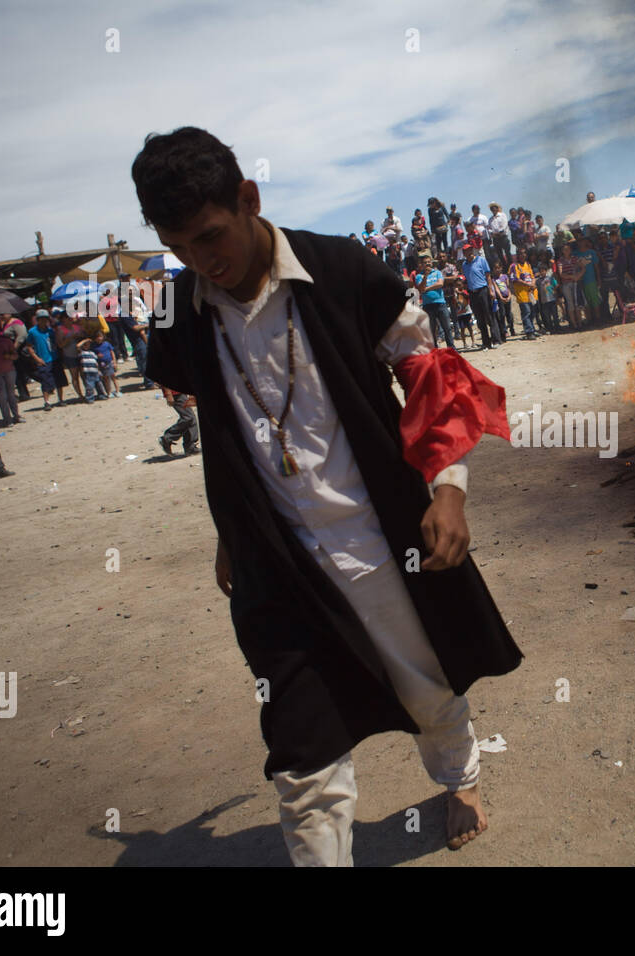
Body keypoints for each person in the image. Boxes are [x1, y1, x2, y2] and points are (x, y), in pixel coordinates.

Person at [134, 126, 521, 866]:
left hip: (382, 537)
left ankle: (460, 777)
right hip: (277, 561)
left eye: (211, 236)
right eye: (178, 245)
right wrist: (230, 527)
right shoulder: (176, 308)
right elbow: (223, 429)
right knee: (302, 759)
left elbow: (429, 370)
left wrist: (448, 489)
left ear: (249, 199)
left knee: (426, 685)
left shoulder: (342, 267)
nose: (200, 261)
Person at [460, 243, 502, 348]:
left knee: (489, 316)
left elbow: (488, 276)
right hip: (472, 293)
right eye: (466, 251)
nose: (469, 253)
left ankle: (496, 340)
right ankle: (486, 342)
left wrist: (491, 290)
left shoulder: (481, 260)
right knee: (480, 319)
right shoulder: (464, 265)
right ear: (464, 253)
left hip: (483, 290)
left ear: (472, 251)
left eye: (470, 250)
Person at [415, 252, 456, 349]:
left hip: (440, 303)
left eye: (429, 262)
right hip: (428, 305)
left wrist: (427, 289)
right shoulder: (419, 276)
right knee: (431, 330)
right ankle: (435, 350)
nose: (428, 264)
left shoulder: (438, 273)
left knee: (447, 328)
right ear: (422, 264)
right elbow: (420, 289)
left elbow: (440, 284)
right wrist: (425, 276)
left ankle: (452, 349)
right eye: (425, 263)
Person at [25, 310, 58, 410]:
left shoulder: (50, 331)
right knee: (44, 380)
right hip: (43, 359)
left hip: (53, 357)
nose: (44, 321)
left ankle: (58, 399)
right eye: (41, 319)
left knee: (52, 380)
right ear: (38, 320)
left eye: (45, 319)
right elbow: (29, 347)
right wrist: (37, 358)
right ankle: (47, 401)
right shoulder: (32, 332)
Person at [158, 385, 199, 456]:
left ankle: (190, 447)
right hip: (175, 393)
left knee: (190, 418)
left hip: (179, 391)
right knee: (188, 417)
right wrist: (168, 394)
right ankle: (167, 438)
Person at [508, 251, 539, 340]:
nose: (523, 255)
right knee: (526, 312)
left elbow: (532, 276)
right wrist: (528, 284)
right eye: (521, 253)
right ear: (518, 255)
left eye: (524, 253)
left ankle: (532, 329)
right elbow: (515, 279)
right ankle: (529, 332)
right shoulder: (514, 266)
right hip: (522, 294)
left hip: (531, 293)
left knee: (533, 312)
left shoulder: (528, 265)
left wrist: (533, 283)